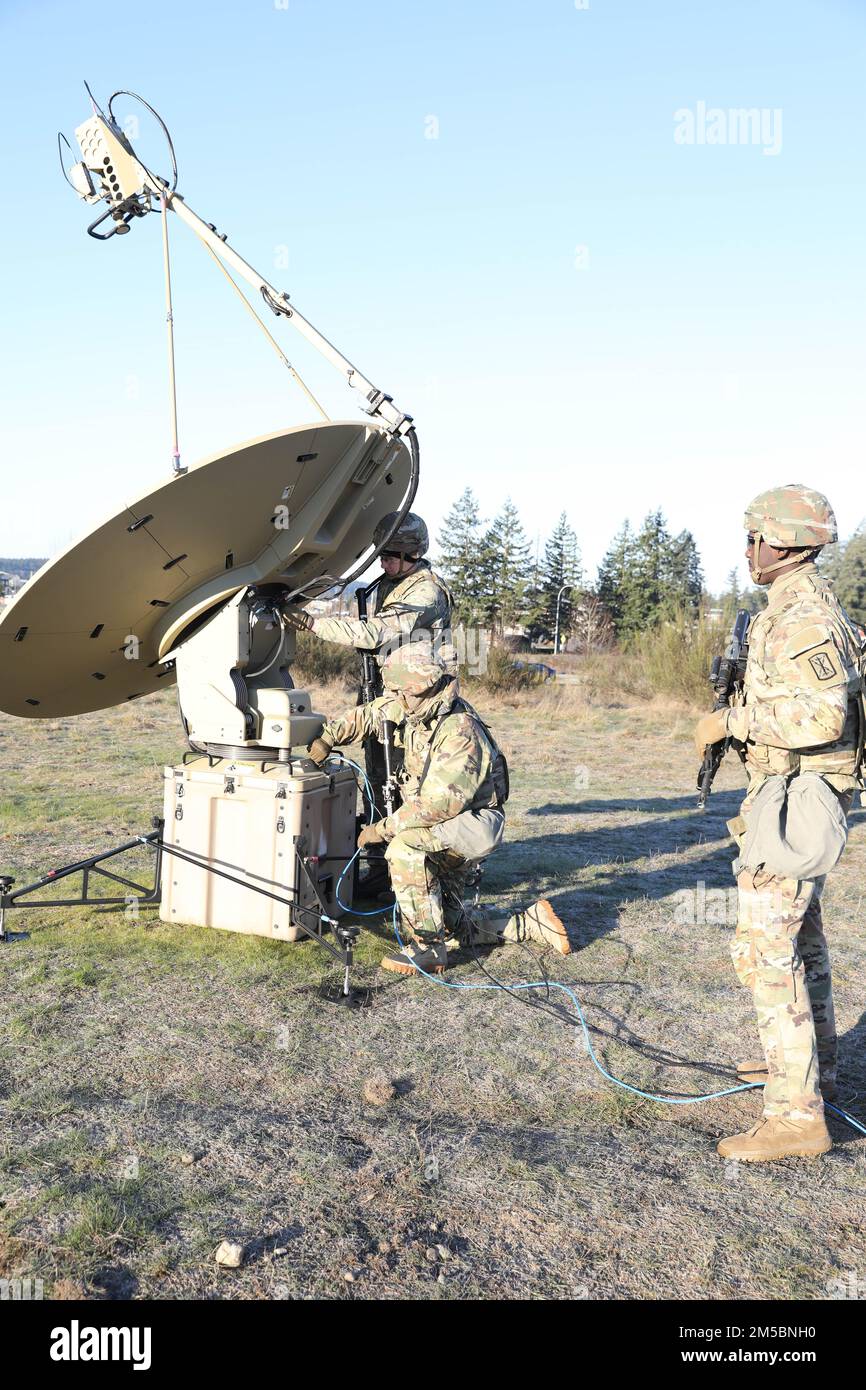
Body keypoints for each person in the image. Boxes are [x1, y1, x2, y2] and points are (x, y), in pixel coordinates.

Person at [694, 485, 865, 1162]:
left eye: (754, 537)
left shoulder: (805, 618)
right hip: (793, 791)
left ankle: (797, 1118)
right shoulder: (796, 608)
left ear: (784, 544)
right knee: (804, 941)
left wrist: (731, 721)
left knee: (767, 952)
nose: (747, 551)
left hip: (800, 796)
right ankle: (804, 1070)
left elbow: (823, 718)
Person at [307, 644, 571, 975]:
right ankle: (529, 924)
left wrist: (382, 829)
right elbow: (370, 714)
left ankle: (427, 949)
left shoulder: (459, 731)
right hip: (445, 821)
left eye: (400, 690)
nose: (395, 697)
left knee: (404, 848)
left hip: (470, 824)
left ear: (416, 688)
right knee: (451, 925)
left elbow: (438, 805)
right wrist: (328, 738)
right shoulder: (417, 705)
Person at [284, 511, 455, 836]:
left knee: (409, 791)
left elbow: (378, 632)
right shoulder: (392, 585)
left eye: (390, 556)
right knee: (379, 783)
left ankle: (411, 871)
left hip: (419, 710)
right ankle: (379, 863)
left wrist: (313, 624)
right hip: (386, 702)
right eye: (381, 555)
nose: (382, 563)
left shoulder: (425, 593)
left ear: (413, 553)